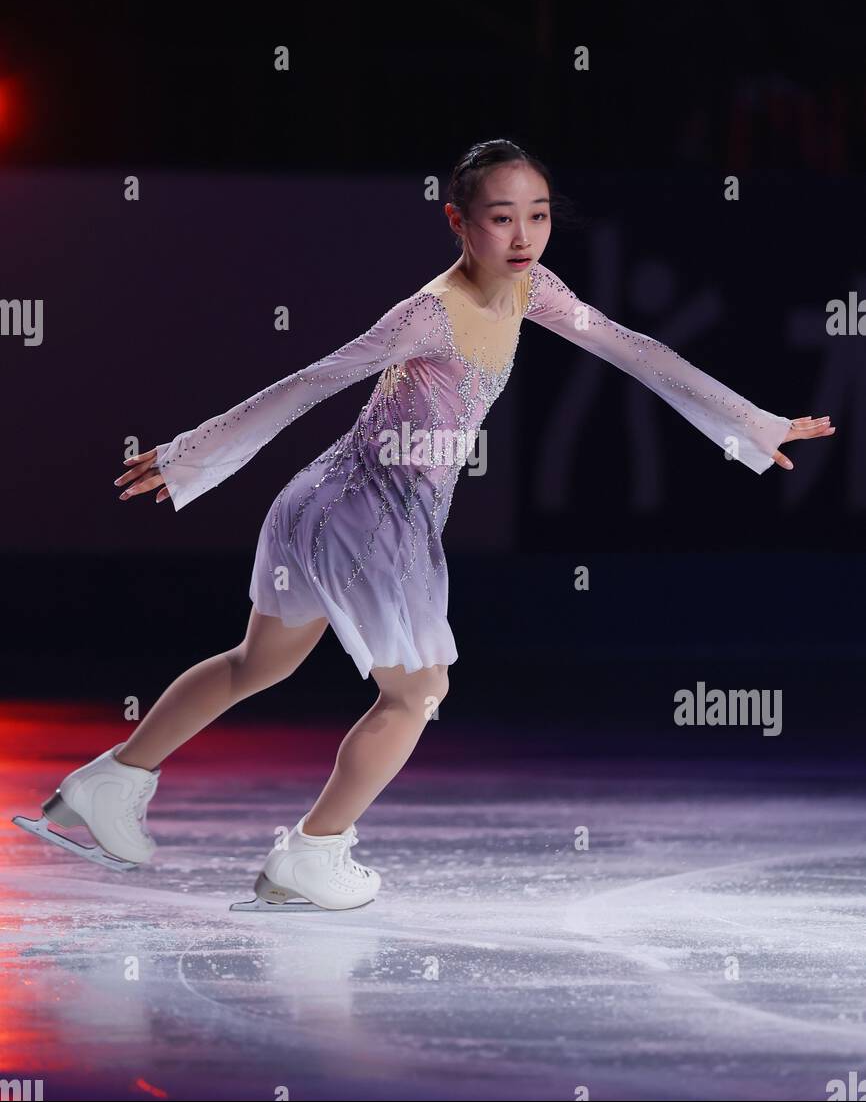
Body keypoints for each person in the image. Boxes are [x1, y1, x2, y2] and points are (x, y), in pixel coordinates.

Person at [14, 139, 834, 910]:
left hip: (316, 504)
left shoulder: (535, 291)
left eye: (539, 213)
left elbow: (636, 349)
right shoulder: (429, 313)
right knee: (419, 692)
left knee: (254, 663)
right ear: (458, 221)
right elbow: (313, 380)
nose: (523, 235)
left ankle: (110, 784)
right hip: (369, 518)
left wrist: (752, 424)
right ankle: (311, 855)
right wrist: (194, 454)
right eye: (501, 217)